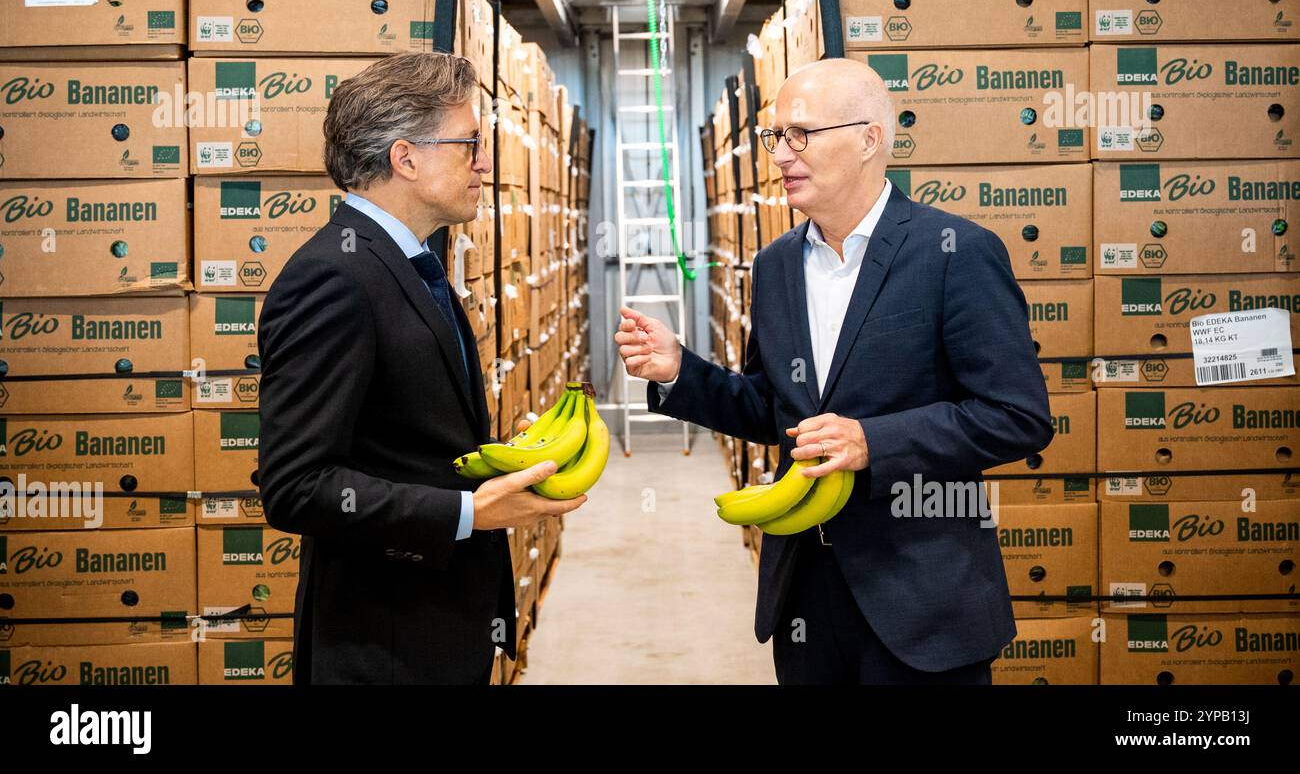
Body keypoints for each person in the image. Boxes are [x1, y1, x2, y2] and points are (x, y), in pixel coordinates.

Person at [616, 58, 1053, 685]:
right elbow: (774, 410)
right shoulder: (775, 267)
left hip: (921, 603)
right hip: (806, 598)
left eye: (802, 135)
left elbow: (1016, 417)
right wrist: (680, 371)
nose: (781, 156)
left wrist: (873, 443)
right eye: (774, 138)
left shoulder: (954, 253)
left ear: (871, 138)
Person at [258, 52, 585, 684]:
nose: (484, 163)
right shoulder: (333, 278)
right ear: (405, 158)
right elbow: (296, 486)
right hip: (382, 645)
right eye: (469, 145)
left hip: (437, 628)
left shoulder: (405, 262)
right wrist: (470, 512)